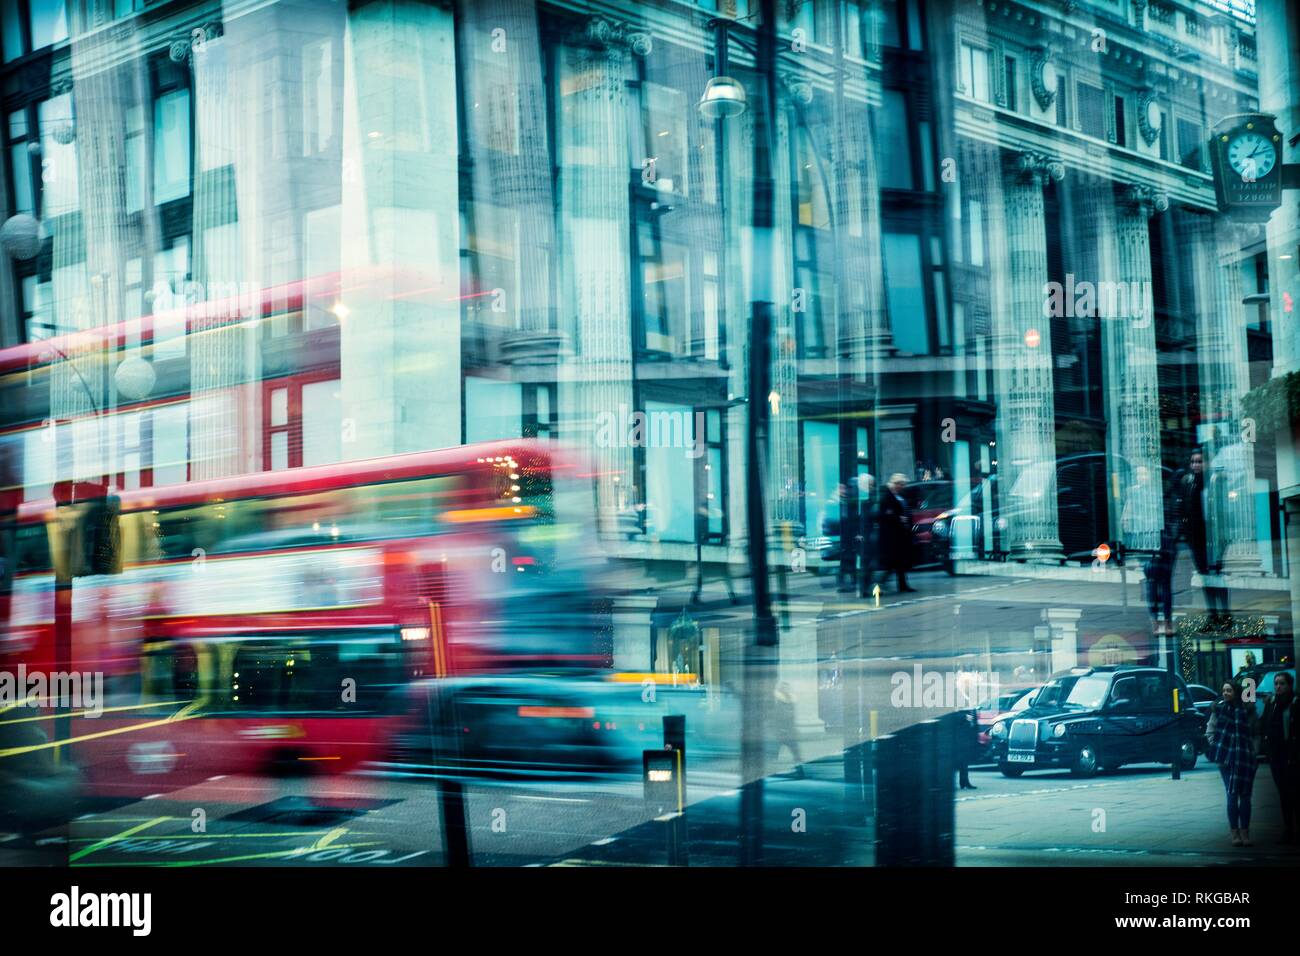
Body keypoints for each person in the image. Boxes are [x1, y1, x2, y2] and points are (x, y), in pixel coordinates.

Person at [1178, 450, 1229, 622]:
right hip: (1197, 538)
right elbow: (1185, 509)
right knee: (1206, 578)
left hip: (1213, 537)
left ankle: (1226, 613)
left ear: (1206, 463)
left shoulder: (1214, 480)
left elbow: (1222, 509)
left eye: (1199, 461)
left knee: (1216, 576)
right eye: (1193, 462)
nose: (1196, 465)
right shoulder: (1189, 482)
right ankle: (1213, 615)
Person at [1207, 680, 1258, 846]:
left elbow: (1255, 733)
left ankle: (1245, 833)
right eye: (1223, 690)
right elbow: (1211, 730)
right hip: (1225, 759)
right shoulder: (1219, 708)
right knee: (1231, 794)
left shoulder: (1247, 710)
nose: (1225, 693)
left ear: (1236, 692)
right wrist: (1217, 745)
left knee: (1245, 796)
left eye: (1229, 690)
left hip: (1245, 759)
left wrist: (1253, 752)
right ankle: (1234, 833)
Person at [1258, 671, 1298, 842]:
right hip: (1276, 756)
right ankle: (1288, 827)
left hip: (1292, 755)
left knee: (1294, 791)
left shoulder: (1295, 703)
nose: (1278, 687)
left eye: (1282, 683)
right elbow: (1264, 724)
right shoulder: (1272, 703)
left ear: (1290, 686)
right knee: (1283, 792)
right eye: (1276, 684)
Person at [878, 473, 916, 593]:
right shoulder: (887, 497)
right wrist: (899, 518)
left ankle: (902, 585)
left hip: (899, 534)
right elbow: (885, 514)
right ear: (896, 484)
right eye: (901, 484)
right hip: (891, 535)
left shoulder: (898, 496)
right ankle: (879, 584)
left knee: (899, 563)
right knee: (893, 563)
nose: (903, 487)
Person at [772, 681, 805, 778]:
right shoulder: (785, 701)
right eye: (784, 688)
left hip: (786, 732)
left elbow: (784, 716)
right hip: (785, 731)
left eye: (787, 687)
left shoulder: (786, 701)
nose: (786, 689)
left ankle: (800, 772)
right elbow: (781, 717)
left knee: (795, 753)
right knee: (795, 753)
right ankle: (800, 772)